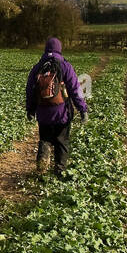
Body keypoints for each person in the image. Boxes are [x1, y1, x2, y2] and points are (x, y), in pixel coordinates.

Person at [25, 36, 87, 177]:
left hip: (43, 113)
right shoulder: (65, 66)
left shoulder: (38, 67)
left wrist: (30, 109)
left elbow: (30, 89)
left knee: (45, 139)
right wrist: (82, 109)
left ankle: (42, 164)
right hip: (61, 113)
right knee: (62, 141)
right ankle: (60, 171)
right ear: (59, 49)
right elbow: (75, 89)